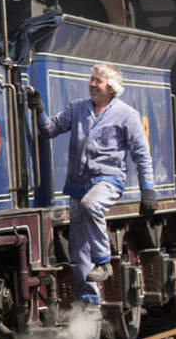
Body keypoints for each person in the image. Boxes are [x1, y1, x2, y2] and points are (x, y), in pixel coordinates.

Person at [29, 63, 156, 304]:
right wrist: (39, 112)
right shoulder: (77, 108)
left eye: (98, 81)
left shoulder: (127, 115)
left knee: (91, 205)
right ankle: (89, 302)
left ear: (110, 87)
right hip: (78, 183)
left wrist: (147, 189)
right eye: (92, 79)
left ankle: (103, 260)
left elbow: (141, 153)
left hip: (108, 179)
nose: (92, 84)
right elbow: (50, 129)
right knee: (78, 250)